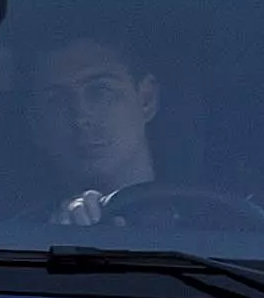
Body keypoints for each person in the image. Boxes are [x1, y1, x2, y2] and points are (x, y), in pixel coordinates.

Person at [19, 32, 162, 226]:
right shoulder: (16, 241)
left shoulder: (209, 227)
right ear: (35, 124)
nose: (81, 117)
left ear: (146, 99)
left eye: (100, 91)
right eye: (57, 100)